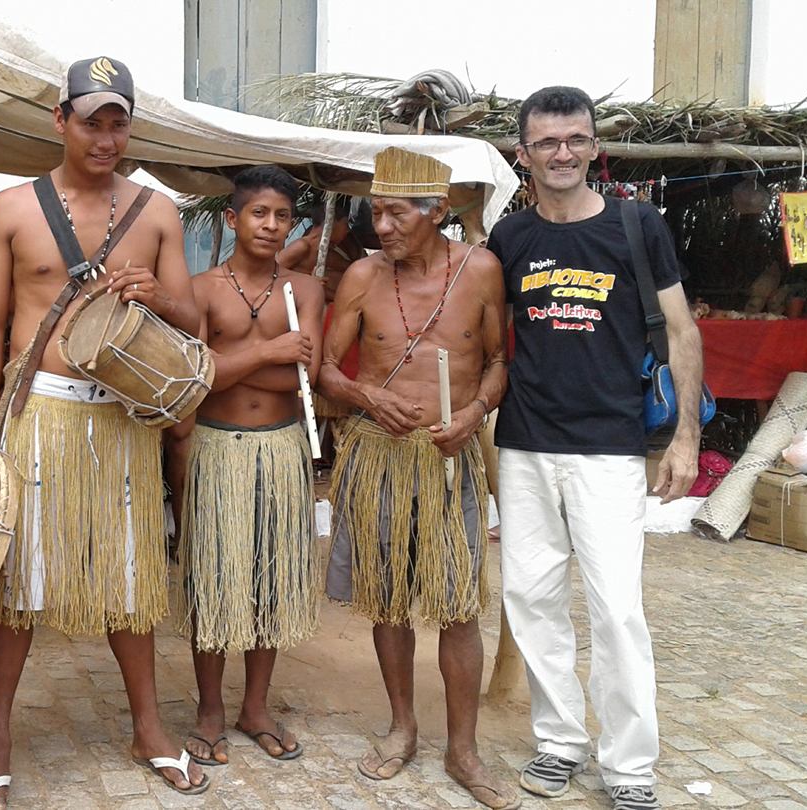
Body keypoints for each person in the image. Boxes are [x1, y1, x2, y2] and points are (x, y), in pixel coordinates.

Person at [0, 56, 208, 808]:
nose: (105, 138)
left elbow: (193, 320)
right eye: (91, 121)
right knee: (18, 583)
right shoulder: (12, 207)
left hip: (123, 419)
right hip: (39, 413)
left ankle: (147, 728)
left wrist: (160, 294)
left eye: (118, 123)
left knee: (132, 578)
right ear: (60, 120)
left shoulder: (157, 211)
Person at [488, 86, 702, 810]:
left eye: (575, 139)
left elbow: (682, 332)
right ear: (524, 155)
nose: (563, 153)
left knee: (616, 610)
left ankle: (629, 764)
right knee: (530, 596)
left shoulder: (637, 226)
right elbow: (488, 337)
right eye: (547, 142)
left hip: (610, 446)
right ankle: (559, 742)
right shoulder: (510, 240)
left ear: (593, 146)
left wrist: (685, 437)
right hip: (525, 443)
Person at [317, 147, 514, 809]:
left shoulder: (481, 271)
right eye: (376, 212)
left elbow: (497, 363)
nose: (384, 227)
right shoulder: (362, 278)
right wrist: (368, 398)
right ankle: (402, 727)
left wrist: (476, 412)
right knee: (389, 600)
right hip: (377, 455)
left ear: (437, 211)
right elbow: (324, 373)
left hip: (448, 457)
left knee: (459, 607)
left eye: (398, 212)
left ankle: (464, 749)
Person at [179, 165, 324, 767]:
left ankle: (255, 707)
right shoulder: (200, 289)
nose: (270, 225)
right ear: (233, 219)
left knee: (272, 577)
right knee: (215, 580)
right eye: (259, 214)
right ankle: (210, 710)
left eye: (282, 216)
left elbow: (306, 376)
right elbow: (194, 376)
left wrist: (228, 362)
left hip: (281, 447)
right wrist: (268, 351)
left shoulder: (306, 292)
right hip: (216, 447)